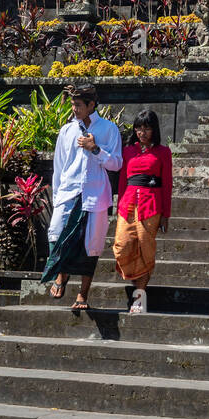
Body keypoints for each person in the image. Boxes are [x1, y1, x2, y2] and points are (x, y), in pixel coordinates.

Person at [42, 85, 123, 308]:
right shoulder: (67, 131)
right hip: (68, 192)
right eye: (72, 104)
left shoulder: (109, 129)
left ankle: (83, 295)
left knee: (92, 245)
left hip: (95, 194)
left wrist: (95, 149)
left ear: (91, 105)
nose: (74, 109)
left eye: (78, 105)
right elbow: (59, 166)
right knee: (56, 233)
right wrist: (57, 195)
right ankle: (62, 275)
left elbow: (116, 164)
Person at [114, 109, 172, 314]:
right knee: (122, 245)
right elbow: (122, 181)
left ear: (154, 129)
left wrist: (166, 214)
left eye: (146, 128)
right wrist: (118, 205)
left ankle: (139, 297)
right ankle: (135, 280)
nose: (142, 132)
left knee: (146, 249)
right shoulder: (128, 151)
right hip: (128, 203)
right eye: (138, 128)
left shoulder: (163, 152)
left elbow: (167, 184)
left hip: (152, 205)